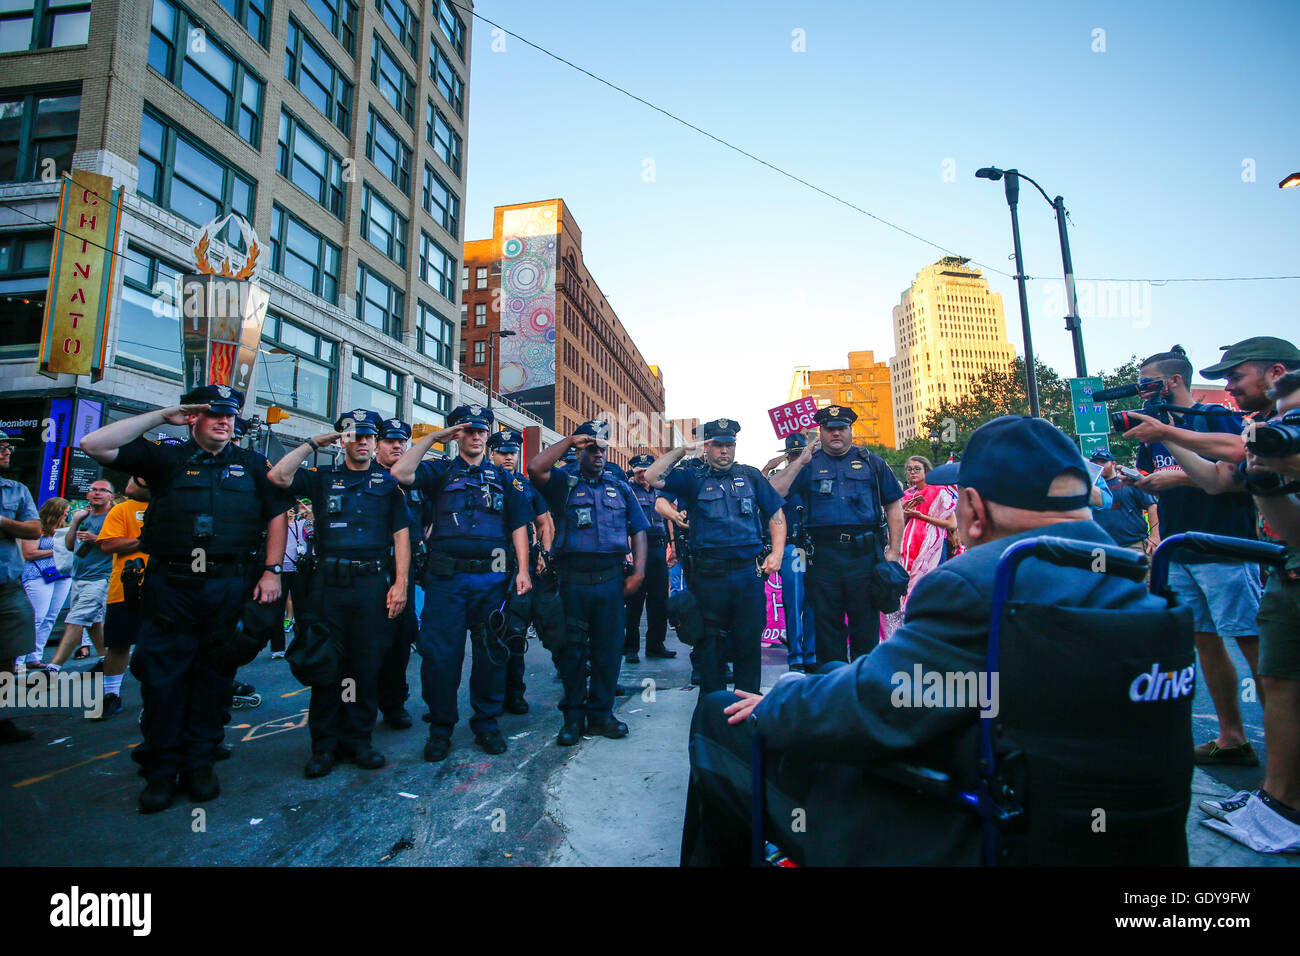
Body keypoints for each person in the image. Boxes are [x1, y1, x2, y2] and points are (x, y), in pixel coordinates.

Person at [680, 416, 1173, 865]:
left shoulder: (981, 582)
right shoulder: (1147, 595)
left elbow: (874, 708)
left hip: (971, 833)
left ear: (974, 511)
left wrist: (782, 697)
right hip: (1094, 834)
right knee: (835, 669)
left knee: (718, 716)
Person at [79, 385, 289, 812]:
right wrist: (163, 415)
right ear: (193, 416)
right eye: (213, 414)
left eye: (229, 415)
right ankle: (160, 769)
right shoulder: (167, 458)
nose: (224, 421)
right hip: (172, 585)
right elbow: (93, 443)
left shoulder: (251, 464)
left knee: (213, 678)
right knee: (163, 679)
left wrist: (271, 570)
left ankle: (199, 762)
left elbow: (276, 514)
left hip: (227, 584)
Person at [1120, 344, 1264, 767]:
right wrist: (1145, 484)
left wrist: (1178, 478)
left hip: (1223, 544)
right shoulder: (1153, 427)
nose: (1142, 393)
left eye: (1147, 384)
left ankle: (1285, 745)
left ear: (1172, 381)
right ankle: (1232, 736)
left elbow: (1236, 476)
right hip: (1179, 546)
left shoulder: (1217, 416)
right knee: (1204, 641)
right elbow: (1156, 475)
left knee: (1251, 641)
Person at [267, 409, 410, 777]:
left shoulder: (387, 482)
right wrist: (314, 443)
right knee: (327, 666)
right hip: (327, 586)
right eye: (353, 436)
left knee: (365, 667)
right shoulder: (322, 477)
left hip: (370, 585)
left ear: (376, 441)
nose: (362, 442)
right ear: (343, 439)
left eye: (368, 437)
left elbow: (401, 535)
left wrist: (401, 583)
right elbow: (278, 476)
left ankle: (358, 741)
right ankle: (324, 747)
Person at [391, 405, 532, 762]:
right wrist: (432, 439)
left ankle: (486, 723)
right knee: (440, 657)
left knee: (490, 655)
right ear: (456, 434)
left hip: (491, 579)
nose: (477, 436)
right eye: (468, 430)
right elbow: (400, 473)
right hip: (446, 579)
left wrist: (523, 571)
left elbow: (518, 524)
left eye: (481, 430)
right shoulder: (438, 470)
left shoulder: (502, 477)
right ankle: (441, 728)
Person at [527, 421, 649, 745]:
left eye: (602, 448)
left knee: (608, 652)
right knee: (572, 653)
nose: (598, 454)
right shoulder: (562, 482)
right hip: (572, 584)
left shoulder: (618, 484)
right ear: (580, 450)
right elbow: (535, 467)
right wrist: (569, 441)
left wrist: (638, 572)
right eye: (592, 448)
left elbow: (639, 528)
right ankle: (572, 719)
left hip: (611, 582)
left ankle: (601, 716)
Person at [645, 419, 785, 694]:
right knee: (710, 645)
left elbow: (776, 514)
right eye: (718, 445)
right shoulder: (691, 477)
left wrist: (777, 553)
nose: (724, 451)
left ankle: (748, 707)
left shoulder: (752, 476)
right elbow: (652, 478)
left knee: (747, 643)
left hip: (748, 573)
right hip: (709, 576)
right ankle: (712, 712)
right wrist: (682, 450)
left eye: (729, 445)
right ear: (706, 447)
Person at [769, 405, 904, 668]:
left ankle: (864, 686)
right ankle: (834, 686)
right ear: (820, 432)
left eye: (842, 428)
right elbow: (774, 492)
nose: (836, 434)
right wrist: (800, 460)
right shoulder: (808, 465)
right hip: (823, 557)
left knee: (865, 625)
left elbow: (894, 506)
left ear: (850, 430)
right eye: (830, 429)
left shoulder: (872, 462)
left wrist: (894, 550)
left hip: (865, 555)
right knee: (827, 626)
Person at [487, 428, 554, 714]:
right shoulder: (481, 481)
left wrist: (544, 553)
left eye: (513, 452)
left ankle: (514, 693)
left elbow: (545, 524)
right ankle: (490, 695)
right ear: (491, 454)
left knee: (515, 632)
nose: (508, 457)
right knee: (488, 633)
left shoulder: (525, 487)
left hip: (517, 565)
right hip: (486, 564)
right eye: (502, 452)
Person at [372, 417, 421, 730]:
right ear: (377, 444)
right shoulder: (367, 475)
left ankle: (394, 704)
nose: (397, 446)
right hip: (371, 570)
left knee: (401, 641)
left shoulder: (411, 481)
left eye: (402, 442)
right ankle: (359, 706)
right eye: (390, 441)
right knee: (368, 642)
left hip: (406, 569)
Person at [91, 481, 150, 720]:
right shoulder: (122, 509)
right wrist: (145, 539)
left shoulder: (173, 506)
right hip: (127, 587)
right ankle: (110, 695)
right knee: (119, 644)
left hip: (167, 587)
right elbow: (108, 544)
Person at [881, 456, 956, 640]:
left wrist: (920, 515)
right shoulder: (906, 495)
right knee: (906, 588)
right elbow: (899, 522)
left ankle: (930, 628)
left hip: (930, 548)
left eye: (917, 469)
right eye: (909, 469)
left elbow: (951, 524)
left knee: (926, 586)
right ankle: (909, 629)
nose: (912, 472)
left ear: (926, 471)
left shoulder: (939, 492)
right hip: (908, 547)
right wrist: (906, 512)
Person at [45, 478, 115, 672]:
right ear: (87, 494)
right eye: (93, 489)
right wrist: (76, 521)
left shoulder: (113, 516)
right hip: (79, 576)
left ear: (111, 496)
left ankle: (54, 667)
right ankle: (106, 659)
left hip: (101, 577)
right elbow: (69, 546)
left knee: (76, 618)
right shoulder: (83, 516)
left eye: (103, 490)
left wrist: (96, 539)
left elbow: (120, 544)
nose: (97, 493)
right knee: (93, 622)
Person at [762, 434, 817, 672]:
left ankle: (812, 653)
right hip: (793, 546)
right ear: (787, 456)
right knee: (794, 601)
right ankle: (796, 654)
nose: (797, 457)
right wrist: (767, 469)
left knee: (814, 602)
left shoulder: (817, 474)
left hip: (815, 546)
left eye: (800, 452)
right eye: (792, 454)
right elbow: (762, 496)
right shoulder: (780, 479)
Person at [0, 431, 41, 744]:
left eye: (8, 446)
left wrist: (2, 521)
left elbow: (33, 529)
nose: (7, 451)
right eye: (1, 447)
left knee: (9, 653)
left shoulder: (16, 490)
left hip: (7, 585)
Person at [624, 453, 675, 663]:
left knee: (659, 600)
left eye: (647, 471)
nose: (644, 475)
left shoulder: (660, 491)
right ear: (634, 473)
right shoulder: (628, 492)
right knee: (635, 601)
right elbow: (624, 521)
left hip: (659, 548)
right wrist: (627, 551)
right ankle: (630, 648)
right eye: (640, 472)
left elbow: (669, 518)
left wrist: (673, 545)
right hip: (637, 548)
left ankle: (656, 645)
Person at [19, 497, 72, 672]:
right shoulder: (37, 528)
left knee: (51, 617)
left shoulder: (65, 527)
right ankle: (18, 660)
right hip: (38, 575)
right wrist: (56, 550)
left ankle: (35, 656)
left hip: (61, 574)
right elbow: (29, 553)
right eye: (65, 510)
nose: (67, 513)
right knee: (36, 617)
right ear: (56, 511)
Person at [1088, 450, 1157, 554]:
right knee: (1098, 570)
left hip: (1133, 545)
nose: (1099, 465)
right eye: (1095, 463)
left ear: (1113, 464)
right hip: (1100, 549)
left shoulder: (1128, 482)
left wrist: (1155, 537)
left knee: (1139, 571)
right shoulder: (1090, 488)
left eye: (1103, 461)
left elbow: (1152, 506)